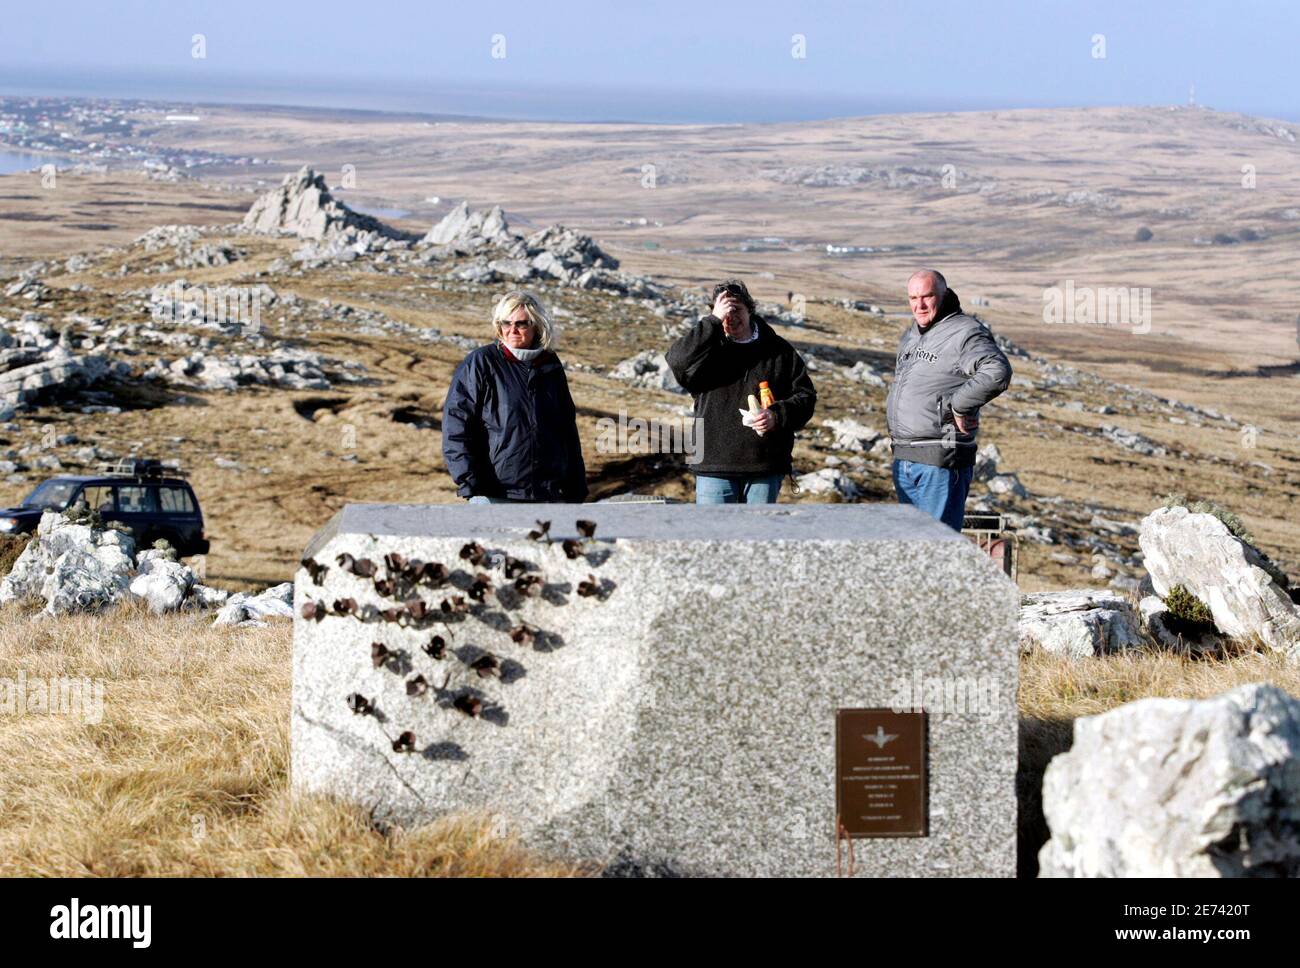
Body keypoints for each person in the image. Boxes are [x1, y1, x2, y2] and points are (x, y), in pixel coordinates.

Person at [666, 279, 816, 503]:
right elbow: (676, 360)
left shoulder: (778, 350)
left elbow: (806, 397)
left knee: (757, 536)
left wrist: (777, 416)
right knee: (713, 536)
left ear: (750, 310)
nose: (730, 316)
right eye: (723, 310)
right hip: (713, 465)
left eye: (736, 309)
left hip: (764, 466)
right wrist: (713, 321)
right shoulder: (706, 351)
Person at [885, 269, 1011, 530]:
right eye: (912, 298)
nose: (919, 305)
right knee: (914, 545)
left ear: (944, 294)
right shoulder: (912, 334)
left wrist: (959, 405)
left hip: (940, 459)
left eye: (927, 296)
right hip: (905, 457)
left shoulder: (964, 331)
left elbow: (996, 371)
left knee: (936, 545)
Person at [442, 290, 587, 503]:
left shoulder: (550, 364)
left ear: (536, 325)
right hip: (495, 493)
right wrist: (471, 484)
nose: (512, 330)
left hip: (549, 494)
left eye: (521, 323)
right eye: (505, 323)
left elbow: (566, 430)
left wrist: (576, 485)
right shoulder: (481, 362)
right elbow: (456, 427)